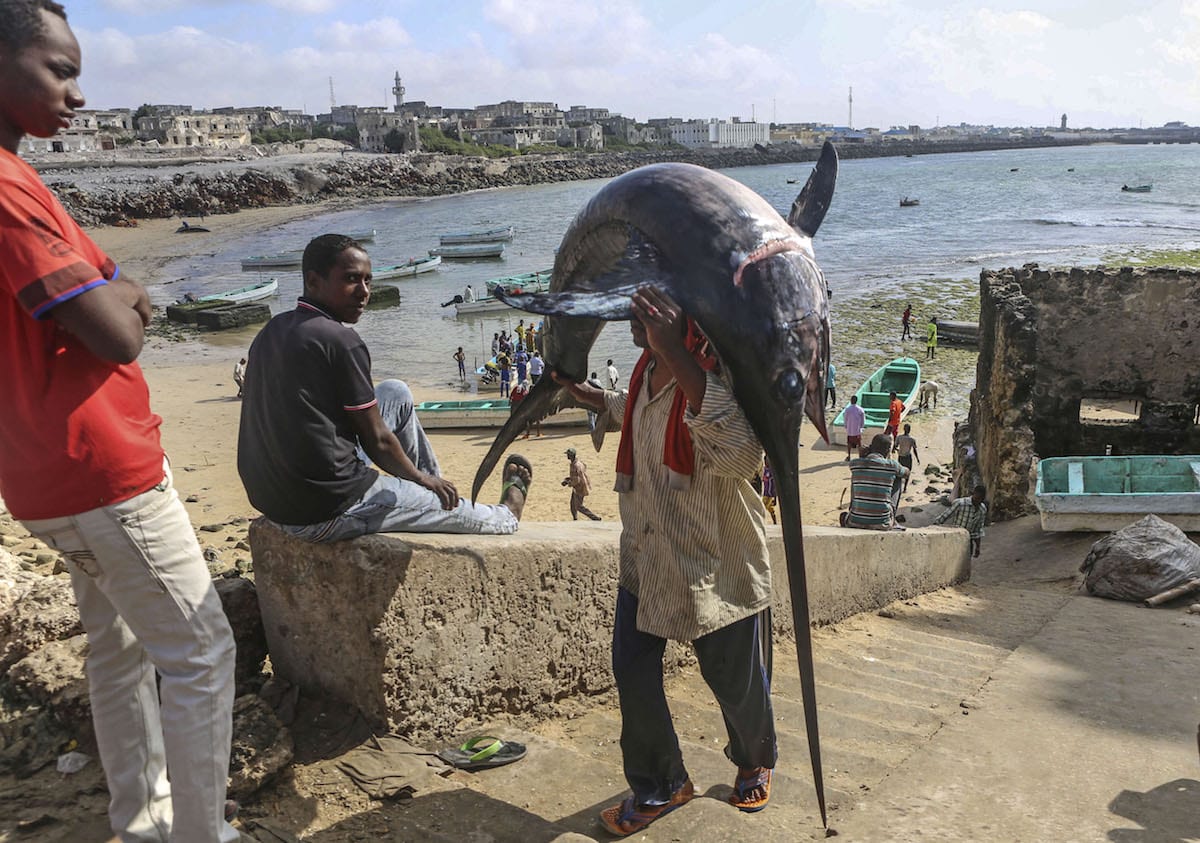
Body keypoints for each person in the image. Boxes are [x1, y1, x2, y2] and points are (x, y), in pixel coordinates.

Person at [0, 4, 240, 840]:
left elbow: (108, 285)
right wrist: (125, 298)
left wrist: (116, 290)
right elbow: (118, 327)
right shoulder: (7, 188)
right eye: (58, 70)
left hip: (38, 472)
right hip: (105, 469)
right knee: (202, 654)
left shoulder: (22, 182)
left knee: (120, 648)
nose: (77, 94)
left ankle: (142, 819)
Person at [552, 285, 776, 835]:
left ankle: (753, 760)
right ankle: (662, 782)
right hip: (647, 557)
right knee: (631, 670)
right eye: (632, 310)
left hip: (714, 564)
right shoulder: (645, 371)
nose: (634, 319)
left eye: (647, 311)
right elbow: (637, 414)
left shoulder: (712, 370)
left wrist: (673, 347)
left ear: (682, 316)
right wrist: (586, 395)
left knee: (735, 683)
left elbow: (744, 454)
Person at [238, 234, 531, 543]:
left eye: (368, 281)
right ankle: (499, 513)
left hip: (275, 497)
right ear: (313, 281)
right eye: (351, 280)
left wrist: (423, 478)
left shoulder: (272, 329)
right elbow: (376, 440)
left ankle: (433, 488)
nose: (364, 292)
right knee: (489, 519)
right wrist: (418, 477)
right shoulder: (341, 341)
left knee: (396, 392)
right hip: (326, 507)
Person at [843, 434, 908, 530]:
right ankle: (893, 518)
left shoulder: (854, 464)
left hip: (854, 522)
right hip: (882, 524)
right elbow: (907, 473)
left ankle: (855, 511)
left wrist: (862, 456)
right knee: (898, 477)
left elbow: (864, 465)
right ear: (887, 450)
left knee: (858, 475)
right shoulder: (892, 465)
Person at [934, 484, 988, 558]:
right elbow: (945, 515)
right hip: (955, 539)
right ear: (973, 493)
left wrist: (978, 547)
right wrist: (933, 527)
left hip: (969, 542)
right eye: (977, 498)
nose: (978, 501)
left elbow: (978, 530)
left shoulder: (982, 509)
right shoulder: (960, 503)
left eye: (981, 499)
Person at [562, 447, 601, 521]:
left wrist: (568, 483)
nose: (567, 456)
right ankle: (575, 519)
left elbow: (577, 480)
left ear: (571, 456)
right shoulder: (579, 463)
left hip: (579, 488)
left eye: (568, 455)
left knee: (579, 507)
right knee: (573, 504)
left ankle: (595, 518)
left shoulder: (575, 465)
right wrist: (569, 479)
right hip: (580, 485)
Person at [893, 423, 920, 493]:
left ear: (903, 429)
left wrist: (898, 451)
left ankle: (898, 488)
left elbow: (894, 447)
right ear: (910, 430)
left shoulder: (899, 437)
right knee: (908, 472)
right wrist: (917, 459)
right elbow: (914, 450)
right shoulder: (912, 439)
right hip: (908, 457)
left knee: (899, 473)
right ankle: (905, 488)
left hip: (901, 457)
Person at [843, 394, 866, 461]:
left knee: (849, 443)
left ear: (851, 401)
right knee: (859, 444)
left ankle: (849, 456)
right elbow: (863, 420)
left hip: (850, 430)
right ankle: (860, 456)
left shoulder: (847, 409)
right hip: (857, 430)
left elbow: (845, 419)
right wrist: (861, 427)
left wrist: (846, 426)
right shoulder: (860, 409)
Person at [760, 457, 778, 524]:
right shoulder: (764, 470)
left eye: (768, 461)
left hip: (770, 494)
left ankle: (761, 522)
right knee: (770, 508)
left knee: (763, 507)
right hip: (765, 492)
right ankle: (775, 522)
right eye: (766, 461)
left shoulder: (772, 471)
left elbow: (775, 484)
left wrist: (775, 498)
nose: (766, 462)